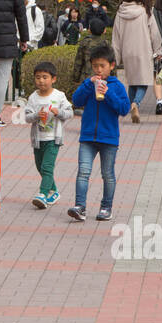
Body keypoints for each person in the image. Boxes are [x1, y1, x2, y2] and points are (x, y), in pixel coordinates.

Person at [68, 44, 130, 222]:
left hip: (109, 138)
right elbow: (76, 100)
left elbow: (124, 109)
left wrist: (108, 93)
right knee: (83, 172)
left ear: (111, 65)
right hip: (87, 136)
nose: (99, 70)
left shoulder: (117, 86)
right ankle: (80, 206)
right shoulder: (89, 83)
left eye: (102, 66)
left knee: (107, 174)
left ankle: (106, 207)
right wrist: (89, 83)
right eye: (95, 66)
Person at [21, 61, 74, 209]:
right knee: (40, 167)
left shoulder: (59, 96)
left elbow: (70, 113)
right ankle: (54, 191)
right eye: (38, 77)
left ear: (53, 79)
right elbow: (26, 117)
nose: (41, 81)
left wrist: (60, 112)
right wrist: (37, 115)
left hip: (53, 139)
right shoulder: (33, 97)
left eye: (45, 77)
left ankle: (42, 194)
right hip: (38, 139)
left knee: (47, 167)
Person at [111, 0, 162, 123]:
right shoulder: (145, 11)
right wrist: (158, 51)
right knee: (144, 81)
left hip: (127, 52)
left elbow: (116, 36)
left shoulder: (120, 12)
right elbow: (155, 33)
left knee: (132, 81)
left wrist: (115, 57)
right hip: (143, 50)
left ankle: (130, 105)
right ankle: (136, 103)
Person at [71, 16, 109, 85]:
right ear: (104, 31)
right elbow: (112, 62)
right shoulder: (106, 43)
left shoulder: (85, 43)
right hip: (103, 78)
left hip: (87, 78)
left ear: (89, 30)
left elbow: (78, 62)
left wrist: (75, 78)